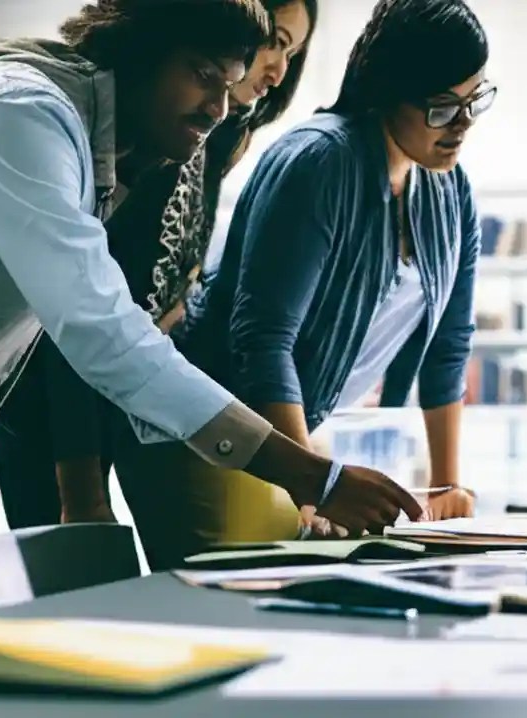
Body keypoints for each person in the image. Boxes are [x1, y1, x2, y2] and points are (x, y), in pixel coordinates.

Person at [0, 0, 421, 538]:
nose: (218, 107)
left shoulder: (106, 142)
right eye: (202, 75)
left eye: (229, 84)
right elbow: (103, 332)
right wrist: (311, 477)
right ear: (140, 51)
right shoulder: (21, 115)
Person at [116, 0, 490, 561]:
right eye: (441, 108)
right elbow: (265, 340)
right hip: (204, 427)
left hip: (282, 435)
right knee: (233, 608)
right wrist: (314, 482)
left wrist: (447, 488)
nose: (461, 126)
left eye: (474, 101)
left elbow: (448, 348)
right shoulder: (318, 161)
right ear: (388, 90)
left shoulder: (449, 189)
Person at [0, 0, 320, 532]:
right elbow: (80, 322)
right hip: (49, 401)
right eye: (276, 41)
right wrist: (83, 488)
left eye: (292, 52)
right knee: (56, 574)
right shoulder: (111, 126)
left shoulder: (207, 137)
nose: (279, 69)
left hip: (117, 392)